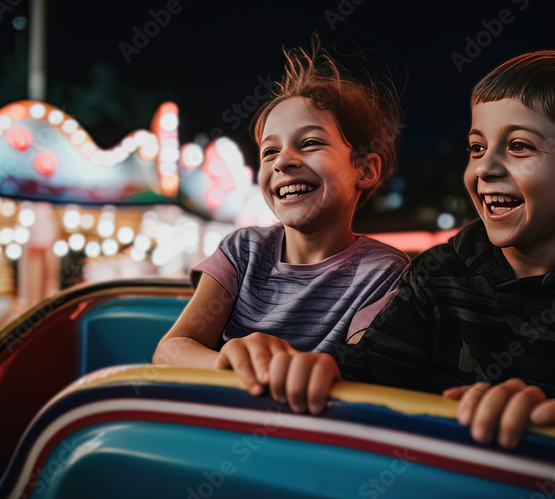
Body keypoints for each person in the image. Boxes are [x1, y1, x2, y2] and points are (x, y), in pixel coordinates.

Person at [225, 49, 555, 449]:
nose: (484, 168)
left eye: (520, 147)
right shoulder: (436, 275)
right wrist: (311, 374)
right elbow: (363, 383)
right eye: (476, 147)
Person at [153, 39, 409, 387]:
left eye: (310, 143)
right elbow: (170, 351)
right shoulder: (242, 251)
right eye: (269, 151)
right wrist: (227, 363)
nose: (283, 161)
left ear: (364, 169)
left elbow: (365, 376)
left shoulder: (386, 273)